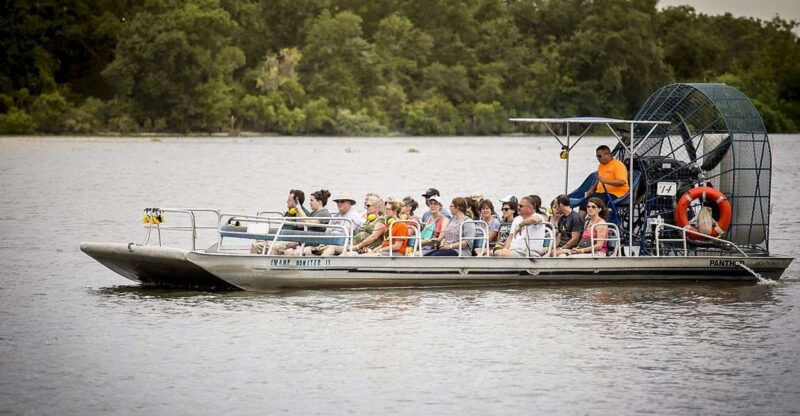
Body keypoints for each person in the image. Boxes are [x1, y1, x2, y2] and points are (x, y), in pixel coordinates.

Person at [303, 192, 364, 256]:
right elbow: (327, 232)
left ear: (350, 203)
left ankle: (322, 262)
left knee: (331, 247)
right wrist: (322, 244)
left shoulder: (354, 217)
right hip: (330, 242)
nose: (339, 204)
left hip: (346, 244)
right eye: (337, 202)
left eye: (342, 201)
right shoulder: (336, 216)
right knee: (306, 250)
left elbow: (345, 235)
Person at [250, 188, 307, 254]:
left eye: (289, 200)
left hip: (289, 242)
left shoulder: (303, 214)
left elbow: (303, 234)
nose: (287, 201)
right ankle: (253, 263)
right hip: (279, 240)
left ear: (296, 201)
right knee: (255, 246)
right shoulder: (288, 212)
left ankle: (268, 263)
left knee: (273, 248)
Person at [580, 145, 629, 218]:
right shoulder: (601, 165)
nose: (598, 158)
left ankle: (597, 223)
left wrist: (606, 181)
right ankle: (578, 226)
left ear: (607, 155)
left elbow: (622, 182)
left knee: (596, 203)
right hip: (600, 193)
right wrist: (592, 189)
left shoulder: (618, 165)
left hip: (615, 193)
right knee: (584, 203)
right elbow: (599, 179)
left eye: (599, 156)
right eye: (596, 156)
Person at [282, 189, 331, 255]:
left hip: (315, 245)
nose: (309, 203)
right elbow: (300, 225)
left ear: (319, 202)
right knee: (288, 251)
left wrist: (300, 209)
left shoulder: (324, 213)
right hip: (305, 242)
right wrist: (298, 211)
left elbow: (308, 223)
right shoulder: (313, 213)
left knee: (296, 253)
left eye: (312, 200)